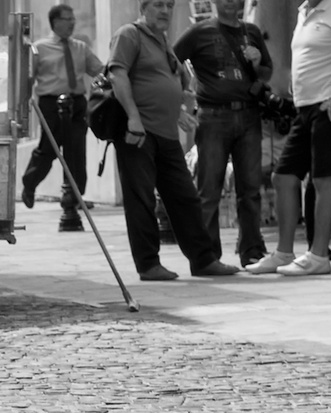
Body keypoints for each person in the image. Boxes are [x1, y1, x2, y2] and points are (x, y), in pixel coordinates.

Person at [108, 0, 240, 280]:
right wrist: (133, 117)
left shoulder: (162, 41)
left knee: (185, 198)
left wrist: (177, 110)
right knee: (141, 199)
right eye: (158, 5)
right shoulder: (129, 34)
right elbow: (118, 75)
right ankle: (148, 264)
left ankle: (204, 260)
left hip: (166, 134)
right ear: (143, 7)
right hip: (138, 133)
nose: (165, 11)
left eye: (169, 5)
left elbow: (169, 80)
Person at [245, 0, 331, 277]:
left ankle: (319, 256)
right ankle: (284, 253)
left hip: (329, 107)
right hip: (304, 108)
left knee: (323, 179)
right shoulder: (303, 12)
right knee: (283, 177)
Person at [173, 0, 272, 267]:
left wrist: (257, 62)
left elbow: (267, 72)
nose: (230, 2)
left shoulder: (251, 31)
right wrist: (182, 96)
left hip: (249, 115)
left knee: (250, 189)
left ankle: (252, 250)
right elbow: (171, 61)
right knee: (209, 190)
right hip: (213, 116)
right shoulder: (199, 32)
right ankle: (206, 257)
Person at [21, 4, 104, 232]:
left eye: (73, 19)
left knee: (76, 150)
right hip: (50, 103)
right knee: (49, 148)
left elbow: (99, 71)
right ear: (55, 22)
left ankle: (74, 198)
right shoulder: (39, 48)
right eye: (67, 19)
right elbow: (27, 79)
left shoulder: (80, 47)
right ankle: (30, 183)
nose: (72, 23)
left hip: (76, 104)